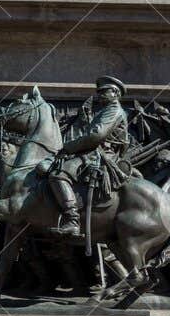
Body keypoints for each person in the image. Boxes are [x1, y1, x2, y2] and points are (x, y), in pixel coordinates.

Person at [49, 76, 131, 238]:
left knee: (58, 175)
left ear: (115, 93)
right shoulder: (105, 111)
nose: (99, 95)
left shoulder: (113, 110)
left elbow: (95, 136)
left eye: (104, 91)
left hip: (101, 155)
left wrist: (68, 147)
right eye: (99, 92)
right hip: (94, 151)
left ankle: (73, 221)